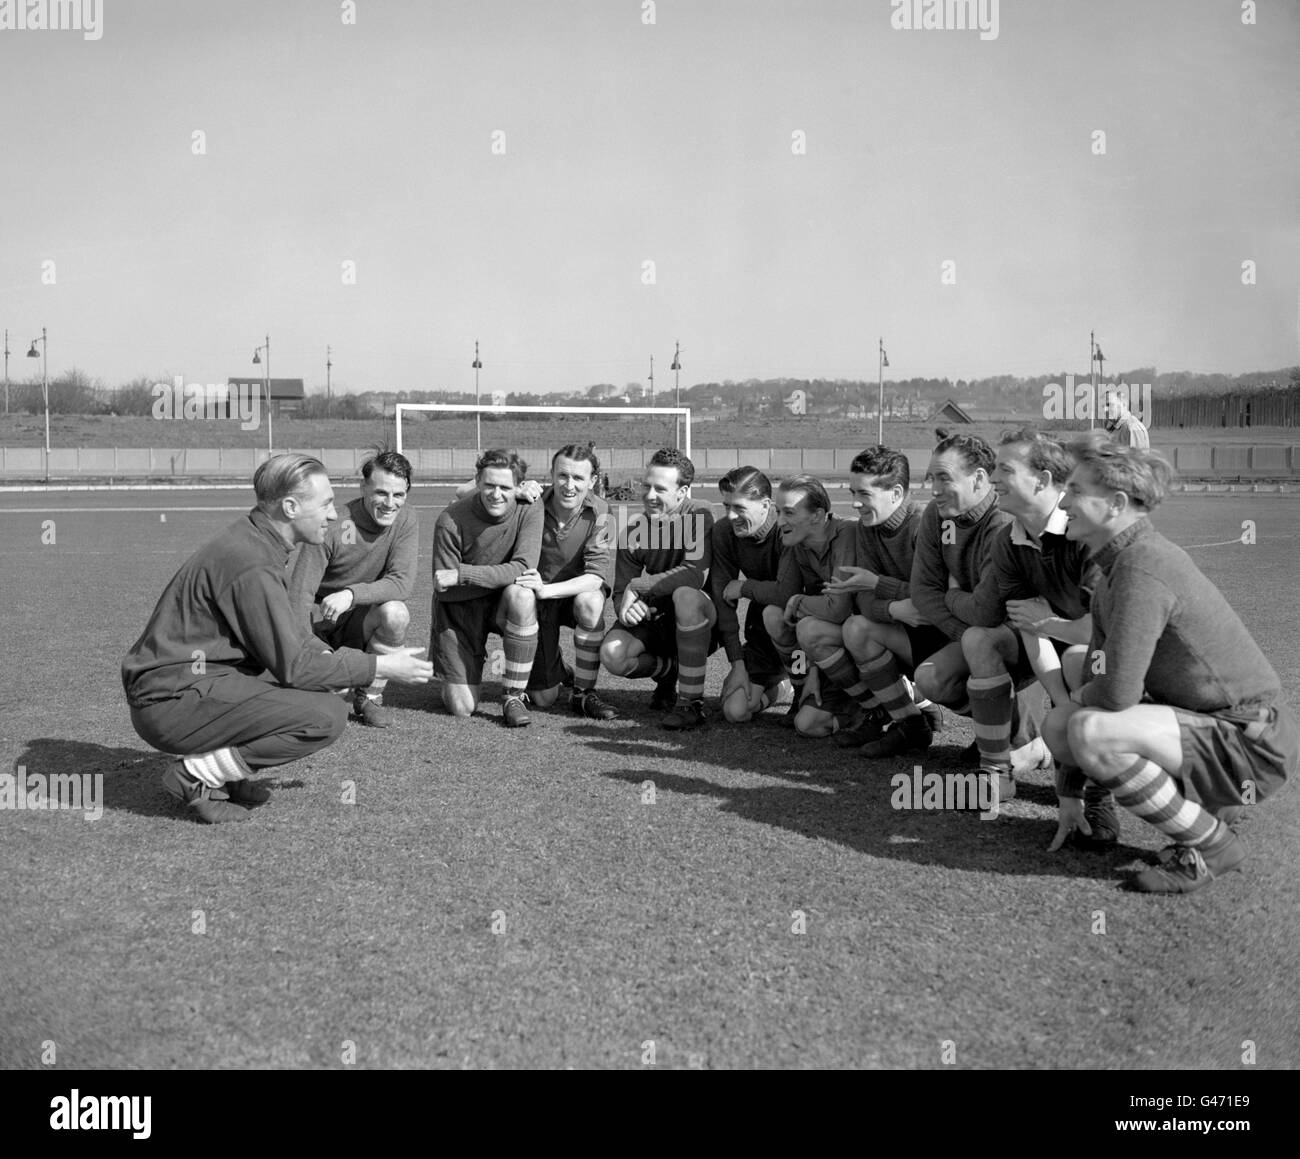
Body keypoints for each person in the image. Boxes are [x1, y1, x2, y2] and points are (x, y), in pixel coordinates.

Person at [122, 453, 433, 824]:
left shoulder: (256, 542)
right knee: (326, 715)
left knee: (319, 686)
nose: (334, 516)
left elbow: (287, 641)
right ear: (290, 507)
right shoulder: (252, 561)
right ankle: (194, 776)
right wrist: (378, 665)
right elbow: (296, 668)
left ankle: (227, 775)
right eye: (326, 504)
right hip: (170, 699)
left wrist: (331, 659)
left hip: (189, 683)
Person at [1043, 442, 1296, 893]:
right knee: (1065, 723)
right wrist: (1069, 794)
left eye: (1075, 491)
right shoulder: (1116, 569)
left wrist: (1083, 699)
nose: (1063, 502)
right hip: (1214, 726)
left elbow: (1115, 694)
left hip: (1253, 740)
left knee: (1085, 727)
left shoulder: (1143, 564)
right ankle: (1205, 822)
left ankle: (1211, 842)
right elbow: (1097, 679)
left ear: (1117, 503)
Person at [949, 429, 1112, 835]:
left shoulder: (1085, 531)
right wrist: (1057, 701)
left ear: (1041, 480)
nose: (994, 477)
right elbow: (1026, 624)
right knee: (978, 639)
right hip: (1047, 642)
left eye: (1005, 469)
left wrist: (1053, 624)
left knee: (1079, 661)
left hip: (1103, 649)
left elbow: (1101, 630)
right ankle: (996, 772)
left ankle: (1096, 796)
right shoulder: (1009, 539)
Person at [908, 431, 1023, 780]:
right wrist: (964, 625)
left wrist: (951, 595)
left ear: (979, 479)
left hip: (1022, 636)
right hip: (973, 632)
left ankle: (1012, 737)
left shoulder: (1001, 521)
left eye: (945, 478)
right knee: (929, 679)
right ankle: (999, 728)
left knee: (980, 642)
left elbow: (990, 612)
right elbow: (923, 590)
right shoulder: (937, 515)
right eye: (932, 478)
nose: (934, 489)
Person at [816, 446, 945, 752]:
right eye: (853, 492)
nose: (855, 503)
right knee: (855, 628)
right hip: (904, 629)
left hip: (944, 638)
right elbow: (865, 602)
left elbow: (932, 600)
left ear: (896, 492)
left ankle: (1000, 744)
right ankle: (910, 725)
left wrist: (878, 584)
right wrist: (896, 608)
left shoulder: (924, 524)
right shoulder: (866, 529)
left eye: (864, 494)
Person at [288, 448, 418, 728]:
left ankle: (369, 698)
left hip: (357, 620)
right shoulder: (333, 524)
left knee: (396, 613)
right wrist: (316, 650)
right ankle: (318, 673)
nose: (390, 503)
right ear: (363, 487)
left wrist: (351, 594)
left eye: (399, 495)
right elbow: (298, 596)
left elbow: (401, 582)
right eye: (381, 493)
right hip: (318, 628)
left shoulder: (406, 518)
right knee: (318, 709)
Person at [600, 447, 717, 730]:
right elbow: (619, 591)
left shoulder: (700, 515)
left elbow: (694, 575)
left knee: (685, 596)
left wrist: (638, 586)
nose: (649, 496)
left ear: (683, 491)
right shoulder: (634, 530)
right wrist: (626, 610)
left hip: (699, 616)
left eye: (660, 489)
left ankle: (691, 703)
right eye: (647, 486)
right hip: (656, 616)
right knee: (613, 655)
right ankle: (670, 670)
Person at [431, 448, 544, 726]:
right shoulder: (450, 520)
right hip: (459, 610)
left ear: (518, 487)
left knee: (522, 594)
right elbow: (446, 588)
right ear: (477, 483)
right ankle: (456, 669)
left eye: (505, 487)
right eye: (489, 485)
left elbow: (522, 567)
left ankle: (513, 697)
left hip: (500, 603)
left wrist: (463, 574)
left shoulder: (530, 508)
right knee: (462, 707)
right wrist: (458, 580)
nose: (496, 494)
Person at [514, 444, 619, 720]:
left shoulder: (602, 511)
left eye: (578, 478)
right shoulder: (531, 501)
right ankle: (560, 671)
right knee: (544, 699)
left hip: (570, 594)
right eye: (562, 476)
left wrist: (546, 589)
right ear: (551, 474)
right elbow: (465, 493)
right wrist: (513, 490)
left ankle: (584, 693)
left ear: (593, 481)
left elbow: (595, 577)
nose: (569, 485)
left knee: (591, 602)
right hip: (537, 603)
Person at [763, 474, 861, 738]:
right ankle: (799, 687)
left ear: (817, 515)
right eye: (777, 512)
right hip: (832, 647)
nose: (780, 521)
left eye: (788, 513)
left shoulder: (847, 534)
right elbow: (786, 596)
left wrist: (798, 601)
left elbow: (838, 609)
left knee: (807, 626)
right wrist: (814, 670)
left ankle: (899, 700)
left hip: (867, 641)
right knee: (774, 617)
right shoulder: (799, 543)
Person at [710, 466, 793, 723]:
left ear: (766, 505)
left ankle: (800, 685)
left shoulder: (787, 530)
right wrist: (737, 664)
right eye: (726, 506)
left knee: (775, 613)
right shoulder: (724, 532)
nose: (731, 515)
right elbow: (723, 600)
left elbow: (789, 594)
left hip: (800, 642)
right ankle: (783, 689)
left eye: (739, 508)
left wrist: (745, 587)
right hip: (762, 639)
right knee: (736, 711)